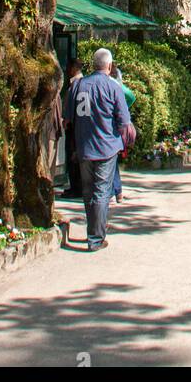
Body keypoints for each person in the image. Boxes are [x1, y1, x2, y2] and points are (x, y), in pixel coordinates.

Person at [67, 47, 132, 253]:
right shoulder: (112, 87)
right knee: (102, 191)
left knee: (88, 191)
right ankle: (96, 237)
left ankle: (94, 229)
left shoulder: (78, 86)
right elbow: (123, 120)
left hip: (84, 146)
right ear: (109, 66)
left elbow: (69, 117)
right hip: (106, 146)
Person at [109, 61, 136, 206]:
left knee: (110, 161)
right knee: (113, 161)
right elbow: (131, 96)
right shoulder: (118, 85)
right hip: (119, 126)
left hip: (112, 126)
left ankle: (113, 193)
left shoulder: (112, 85)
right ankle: (118, 192)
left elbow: (130, 96)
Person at [62, 58, 84, 199]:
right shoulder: (82, 83)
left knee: (73, 156)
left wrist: (67, 119)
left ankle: (76, 187)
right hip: (79, 126)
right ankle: (76, 186)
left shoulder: (76, 84)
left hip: (73, 126)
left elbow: (72, 105)